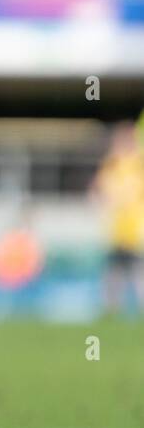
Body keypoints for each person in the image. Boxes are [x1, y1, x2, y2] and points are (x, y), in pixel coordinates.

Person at [90, 122, 144, 315]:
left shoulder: (138, 164)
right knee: (114, 272)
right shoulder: (112, 164)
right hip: (116, 229)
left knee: (137, 270)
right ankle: (111, 308)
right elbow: (97, 187)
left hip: (135, 228)